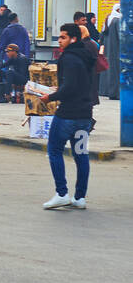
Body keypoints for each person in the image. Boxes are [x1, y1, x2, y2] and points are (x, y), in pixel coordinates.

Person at [41, 24, 93, 210]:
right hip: (85, 115)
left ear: (73, 39)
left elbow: (70, 86)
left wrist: (51, 97)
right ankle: (80, 197)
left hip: (67, 114)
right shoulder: (86, 56)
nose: (59, 40)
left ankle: (62, 193)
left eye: (63, 37)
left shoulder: (68, 58)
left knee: (54, 150)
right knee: (81, 154)